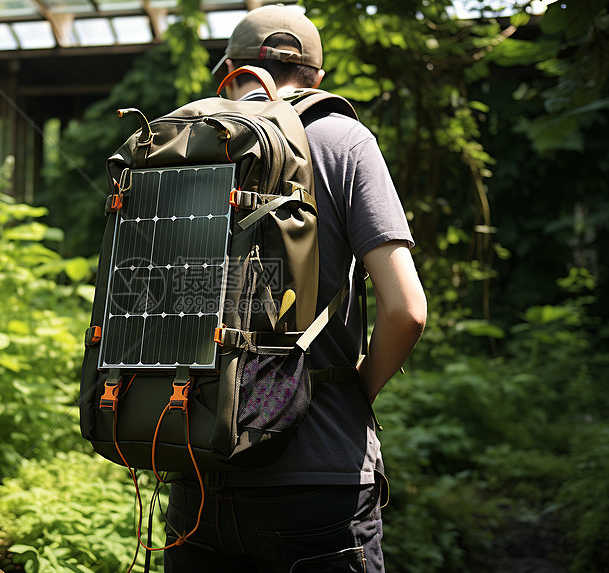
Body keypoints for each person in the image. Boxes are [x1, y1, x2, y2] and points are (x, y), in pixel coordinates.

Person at [163, 5, 427, 573]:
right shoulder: (343, 140)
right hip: (319, 474)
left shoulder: (184, 152)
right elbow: (407, 311)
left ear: (229, 72)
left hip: (196, 472)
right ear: (316, 77)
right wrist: (354, 389)